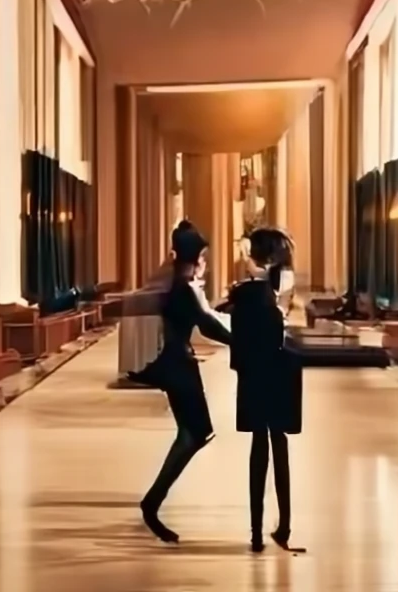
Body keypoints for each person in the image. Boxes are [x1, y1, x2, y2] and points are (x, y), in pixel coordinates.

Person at [135, 221, 231, 544]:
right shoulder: (184, 286)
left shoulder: (181, 282)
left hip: (177, 363)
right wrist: (242, 341)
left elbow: (205, 319)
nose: (205, 261)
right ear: (195, 256)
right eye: (203, 255)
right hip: (178, 365)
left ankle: (153, 501)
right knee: (194, 433)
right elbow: (206, 325)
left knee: (193, 433)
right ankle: (152, 502)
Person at [226, 227, 304, 553]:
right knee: (278, 445)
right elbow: (280, 339)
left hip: (253, 378)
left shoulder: (244, 297)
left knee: (260, 449)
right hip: (276, 378)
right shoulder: (268, 300)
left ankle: (257, 531)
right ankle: (283, 524)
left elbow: (238, 348)